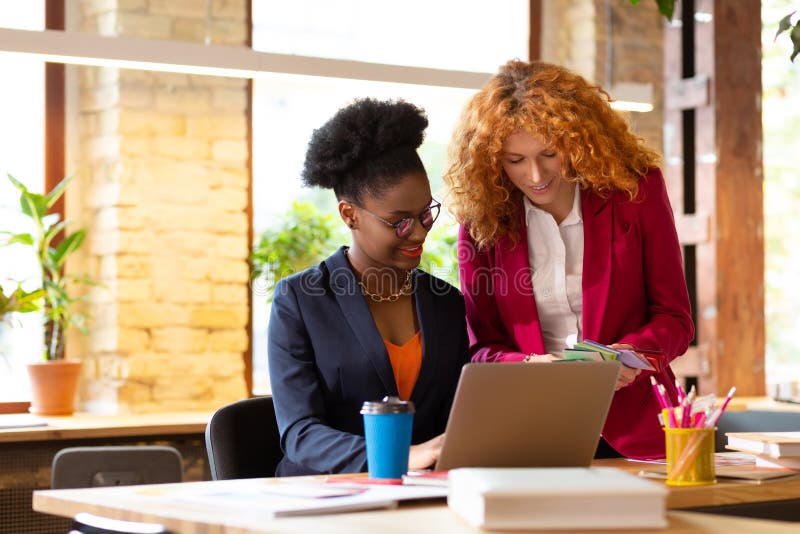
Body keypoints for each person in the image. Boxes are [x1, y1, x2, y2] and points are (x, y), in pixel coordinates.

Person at [443, 60, 694, 459]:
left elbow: (675, 319)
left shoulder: (635, 191)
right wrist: (527, 365)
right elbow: (483, 345)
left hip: (637, 431)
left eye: (549, 152)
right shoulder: (482, 221)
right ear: (493, 161)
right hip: (532, 427)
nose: (536, 174)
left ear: (575, 140)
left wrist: (624, 356)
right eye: (515, 160)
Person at [268, 98, 470, 476]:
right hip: (325, 498)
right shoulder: (300, 301)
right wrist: (398, 458)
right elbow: (300, 432)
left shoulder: (446, 302)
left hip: (426, 495)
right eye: (400, 222)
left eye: (426, 213)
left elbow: (457, 415)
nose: (421, 231)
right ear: (350, 214)